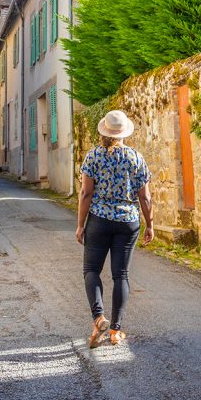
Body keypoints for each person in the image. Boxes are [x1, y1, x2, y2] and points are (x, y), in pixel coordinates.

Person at [76, 109, 154, 347]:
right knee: (121, 274)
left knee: (91, 270)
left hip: (99, 219)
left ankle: (99, 317)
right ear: (123, 133)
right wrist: (150, 224)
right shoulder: (135, 158)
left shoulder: (93, 157)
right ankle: (115, 331)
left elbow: (86, 193)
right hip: (128, 221)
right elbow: (146, 197)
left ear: (104, 131)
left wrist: (80, 225)